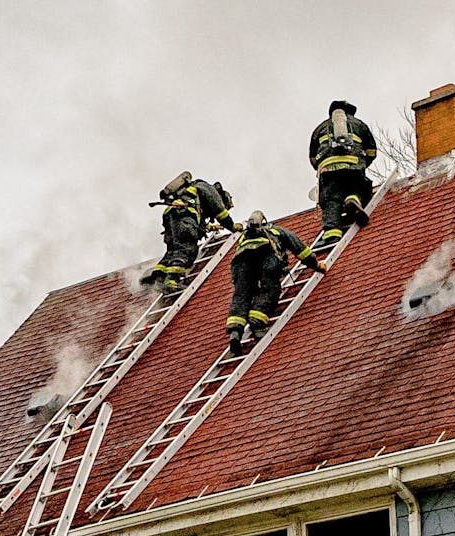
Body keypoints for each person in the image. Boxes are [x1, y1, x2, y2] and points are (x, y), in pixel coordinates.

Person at [225, 211, 325, 356]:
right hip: (267, 260)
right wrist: (315, 264)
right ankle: (257, 325)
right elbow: (299, 248)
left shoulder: (244, 238)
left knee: (241, 295)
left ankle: (235, 332)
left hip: (242, 265)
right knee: (269, 290)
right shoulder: (276, 231)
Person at [142, 172, 242, 292]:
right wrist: (232, 226)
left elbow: (197, 224)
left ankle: (159, 276)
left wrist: (210, 227)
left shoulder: (193, 192)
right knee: (188, 248)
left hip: (171, 215)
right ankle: (172, 281)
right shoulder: (209, 190)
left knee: (174, 249)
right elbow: (220, 212)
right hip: (183, 214)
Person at [309, 100, 378, 249]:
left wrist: (322, 168)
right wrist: (362, 164)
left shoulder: (320, 128)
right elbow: (372, 151)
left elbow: (313, 158)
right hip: (353, 167)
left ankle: (332, 234)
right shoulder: (359, 125)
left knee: (330, 201)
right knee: (360, 188)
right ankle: (353, 199)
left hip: (328, 171)